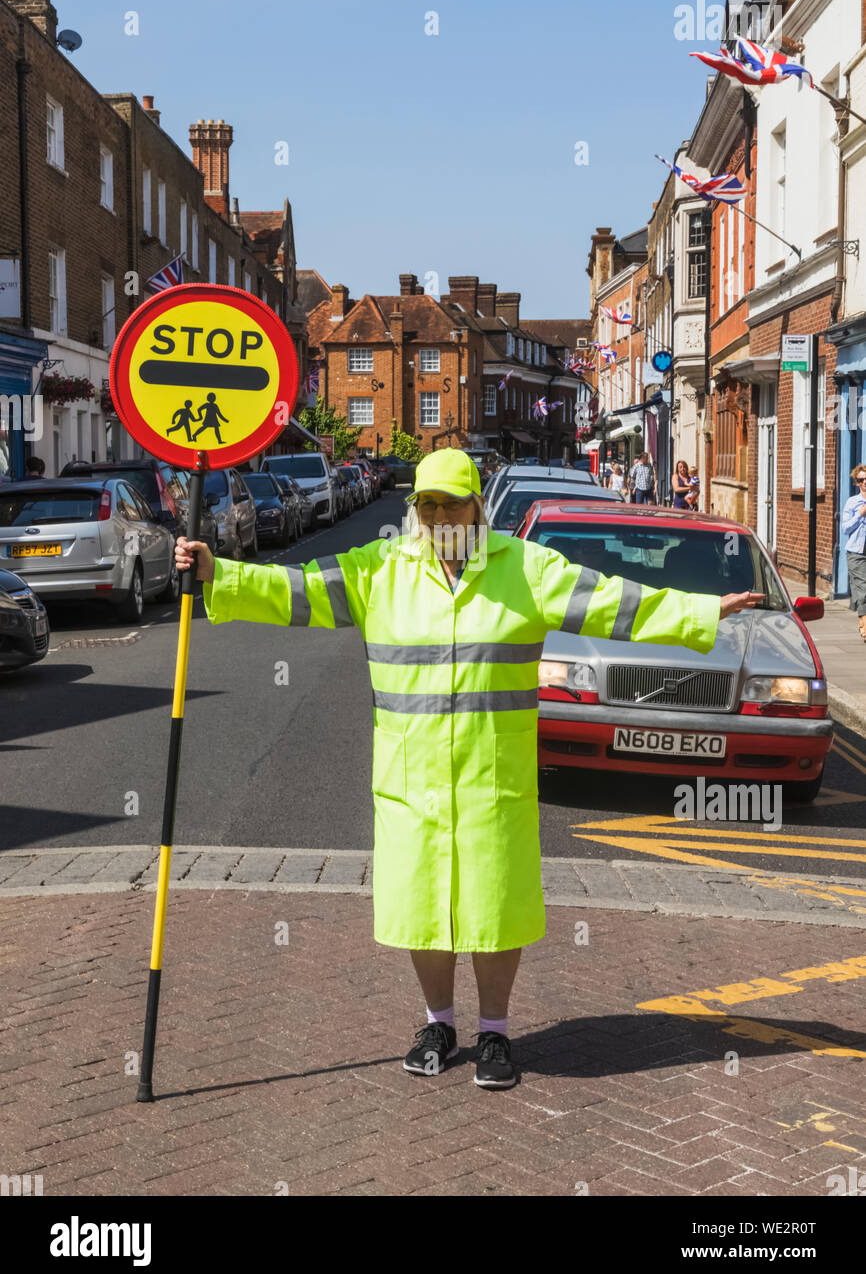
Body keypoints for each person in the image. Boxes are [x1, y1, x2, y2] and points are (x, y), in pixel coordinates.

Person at [175, 448, 762, 1092]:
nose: (435, 515)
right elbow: (302, 589)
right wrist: (219, 572)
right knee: (421, 907)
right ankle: (438, 1023)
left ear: (477, 505)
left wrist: (702, 611)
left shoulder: (526, 569)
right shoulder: (383, 568)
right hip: (410, 778)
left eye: (450, 502)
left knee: (494, 908)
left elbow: (618, 605)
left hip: (492, 776)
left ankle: (496, 1031)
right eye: (425, 504)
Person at [842, 462, 866, 644]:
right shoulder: (852, 502)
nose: (864, 483)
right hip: (857, 552)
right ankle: (864, 621)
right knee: (863, 590)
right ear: (857, 482)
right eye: (861, 480)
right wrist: (860, 514)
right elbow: (845, 528)